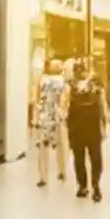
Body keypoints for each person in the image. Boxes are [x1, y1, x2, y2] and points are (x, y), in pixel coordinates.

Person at [65, 60, 107, 202]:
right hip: (80, 127)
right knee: (81, 159)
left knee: (93, 159)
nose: (81, 72)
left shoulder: (95, 84)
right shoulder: (71, 86)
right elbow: (66, 106)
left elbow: (102, 105)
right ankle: (84, 185)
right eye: (78, 70)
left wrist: (104, 124)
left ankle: (93, 184)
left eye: (83, 69)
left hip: (90, 126)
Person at [34, 59, 69, 188]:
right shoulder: (58, 82)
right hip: (50, 116)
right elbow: (37, 98)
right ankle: (50, 174)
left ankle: (56, 172)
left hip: (51, 116)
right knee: (55, 146)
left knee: (54, 146)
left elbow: (65, 99)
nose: (57, 66)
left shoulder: (48, 81)